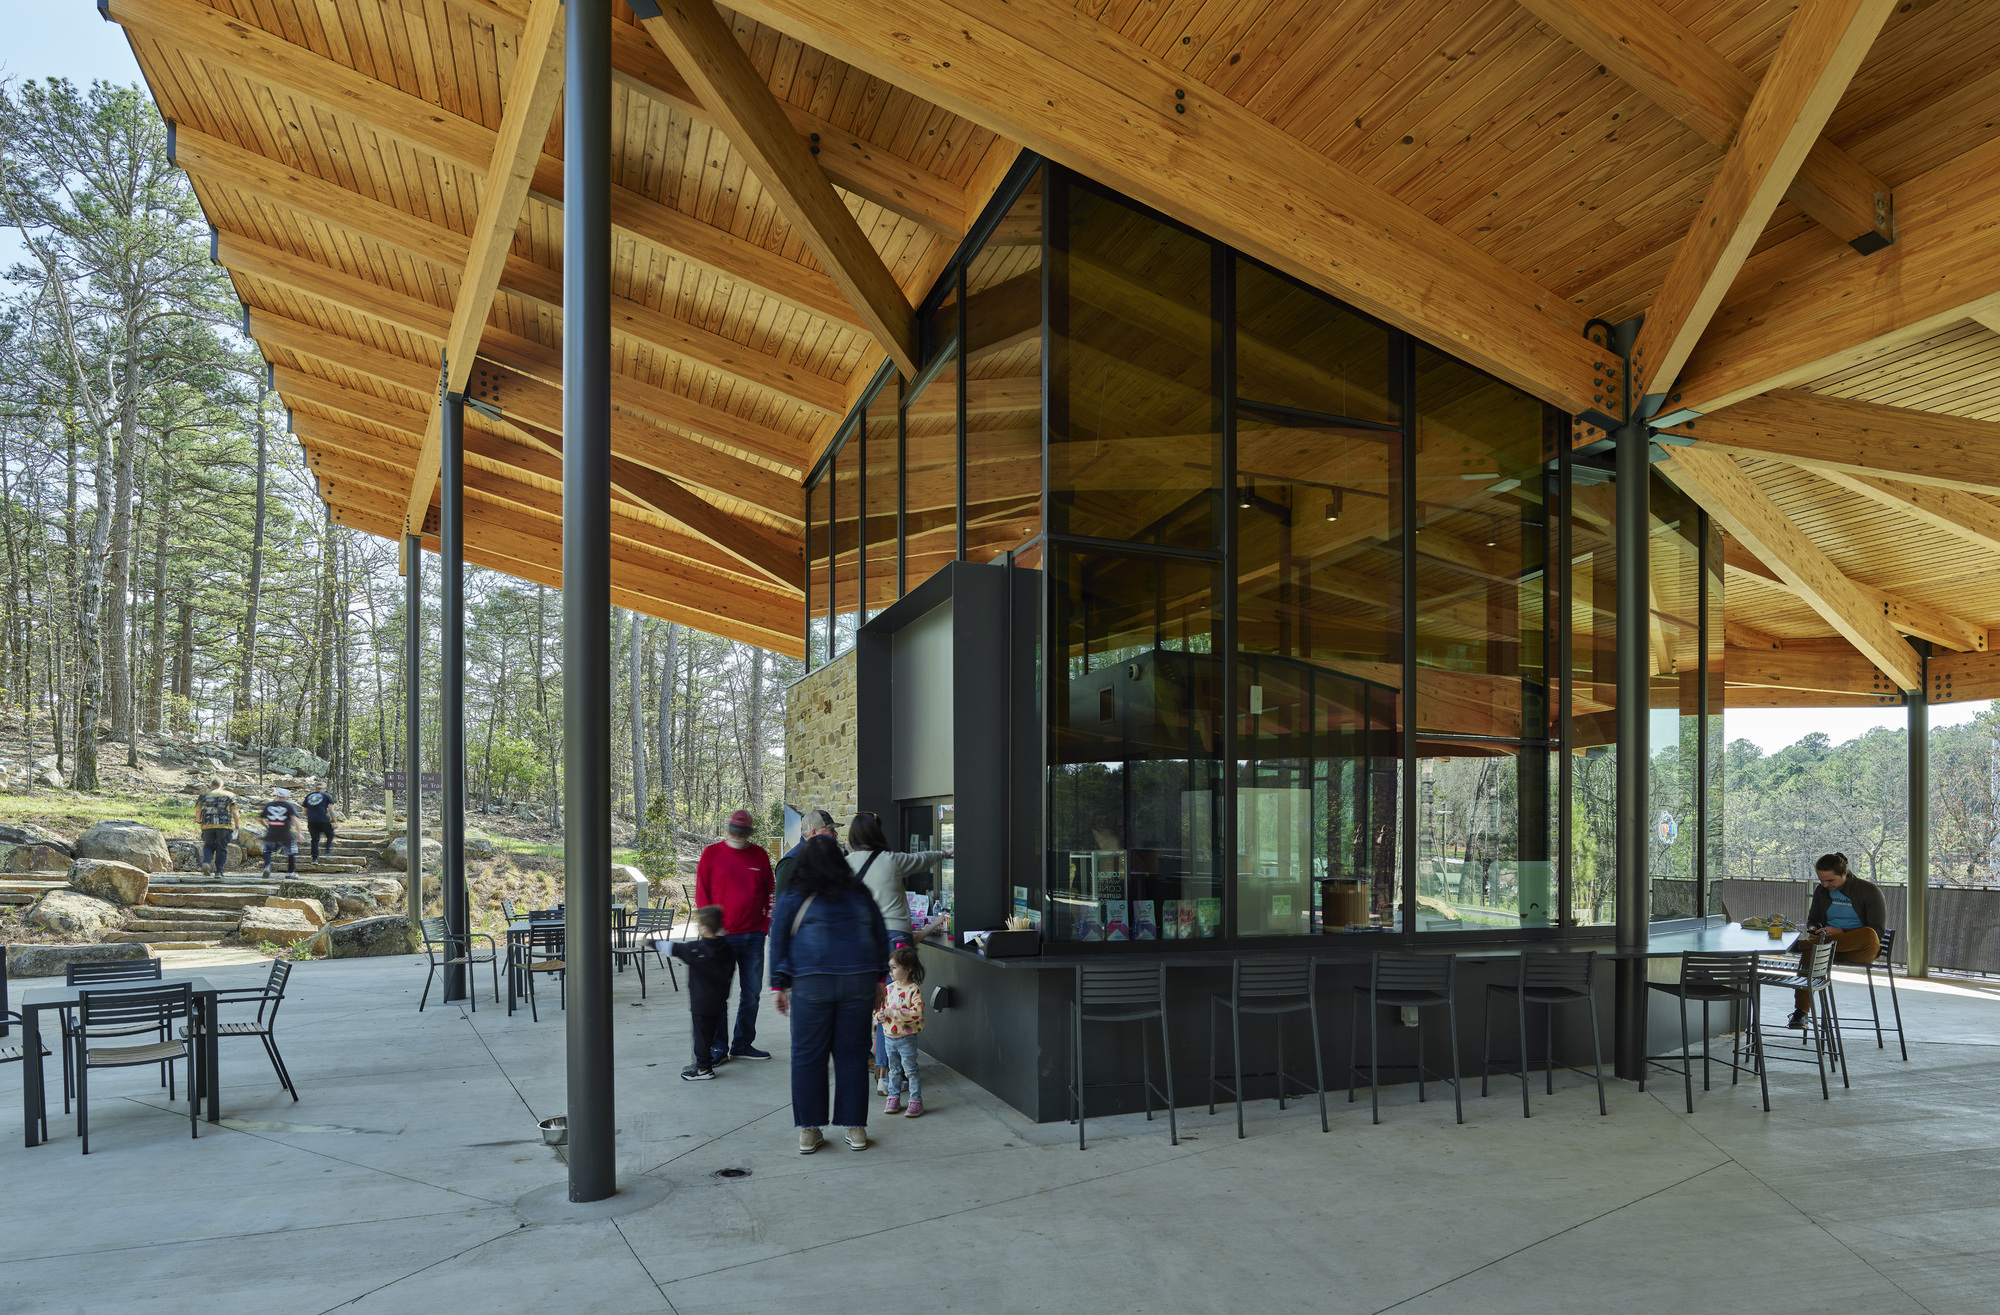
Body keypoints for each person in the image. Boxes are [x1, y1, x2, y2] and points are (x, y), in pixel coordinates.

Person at [770, 834, 891, 1154]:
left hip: (811, 984)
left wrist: (777, 985)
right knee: (852, 1054)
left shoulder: (795, 894)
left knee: (808, 1055)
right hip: (858, 983)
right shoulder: (859, 893)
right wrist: (880, 979)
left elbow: (779, 937)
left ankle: (809, 1131)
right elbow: (880, 935)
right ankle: (856, 1129)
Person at [694, 808, 776, 1064]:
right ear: (727, 828)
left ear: (749, 832)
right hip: (722, 938)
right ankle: (719, 1047)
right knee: (719, 994)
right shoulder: (712, 854)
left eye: (742, 832)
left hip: (753, 935)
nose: (737, 836)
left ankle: (742, 1043)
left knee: (751, 993)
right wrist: (710, 930)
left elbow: (770, 893)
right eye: (733, 830)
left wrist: (765, 925)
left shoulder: (759, 855)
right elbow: (701, 893)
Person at [1791, 851, 1886, 1027]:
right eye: (1822, 880)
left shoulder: (1869, 891)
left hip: (1860, 950)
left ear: (1844, 874)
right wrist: (1815, 929)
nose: (1825, 885)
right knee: (1812, 951)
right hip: (1829, 949)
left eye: (1830, 881)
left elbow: (1878, 931)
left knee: (1869, 934)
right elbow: (1812, 920)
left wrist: (1841, 931)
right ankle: (1801, 1013)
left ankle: (1803, 945)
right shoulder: (1821, 891)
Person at [845, 812, 950, 944]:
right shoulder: (891, 859)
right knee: (902, 965)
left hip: (863, 933)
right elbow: (921, 859)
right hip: (896, 933)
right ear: (878, 834)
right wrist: (943, 853)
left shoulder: (844, 864)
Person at [670, 906, 737, 1082]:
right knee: (711, 1033)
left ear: (704, 929)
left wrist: (650, 942)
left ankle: (703, 1068)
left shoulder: (696, 949)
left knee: (701, 1036)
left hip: (701, 1003)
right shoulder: (728, 948)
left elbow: (673, 948)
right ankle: (710, 1061)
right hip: (720, 1001)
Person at [874, 945, 927, 1118]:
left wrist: (893, 1013)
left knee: (910, 1070)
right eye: (890, 967)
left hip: (906, 1039)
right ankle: (893, 1097)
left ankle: (915, 1100)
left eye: (894, 967)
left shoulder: (913, 990)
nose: (891, 971)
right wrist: (879, 1016)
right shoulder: (889, 989)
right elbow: (879, 1008)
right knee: (894, 1070)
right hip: (889, 1038)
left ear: (908, 969)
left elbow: (917, 1014)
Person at [774, 808, 840, 889]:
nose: (835, 833)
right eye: (831, 830)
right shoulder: (790, 863)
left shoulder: (826, 856)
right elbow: (782, 900)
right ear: (814, 832)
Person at [195, 779, 239, 877]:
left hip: (207, 824)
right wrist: (237, 824)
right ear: (222, 786)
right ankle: (219, 871)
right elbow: (235, 812)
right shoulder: (229, 794)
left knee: (208, 845)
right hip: (224, 825)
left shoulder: (204, 795)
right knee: (222, 847)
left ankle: (206, 863)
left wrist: (199, 821)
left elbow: (198, 811)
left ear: (211, 786)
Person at [257, 787, 305, 875]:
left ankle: (267, 866)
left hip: (271, 832)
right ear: (286, 796)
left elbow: (260, 818)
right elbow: (294, 819)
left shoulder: (269, 805)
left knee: (268, 850)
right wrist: (299, 833)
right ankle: (291, 873)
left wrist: (266, 826)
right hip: (285, 833)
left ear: (277, 795)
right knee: (291, 851)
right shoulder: (289, 806)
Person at [301, 784, 337, 861]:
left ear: (316, 788)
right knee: (330, 834)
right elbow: (331, 810)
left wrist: (310, 816)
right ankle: (327, 851)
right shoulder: (326, 796)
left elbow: (304, 810)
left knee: (315, 839)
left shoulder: (309, 796)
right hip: (323, 819)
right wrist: (335, 821)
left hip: (311, 821)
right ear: (324, 788)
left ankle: (314, 858)